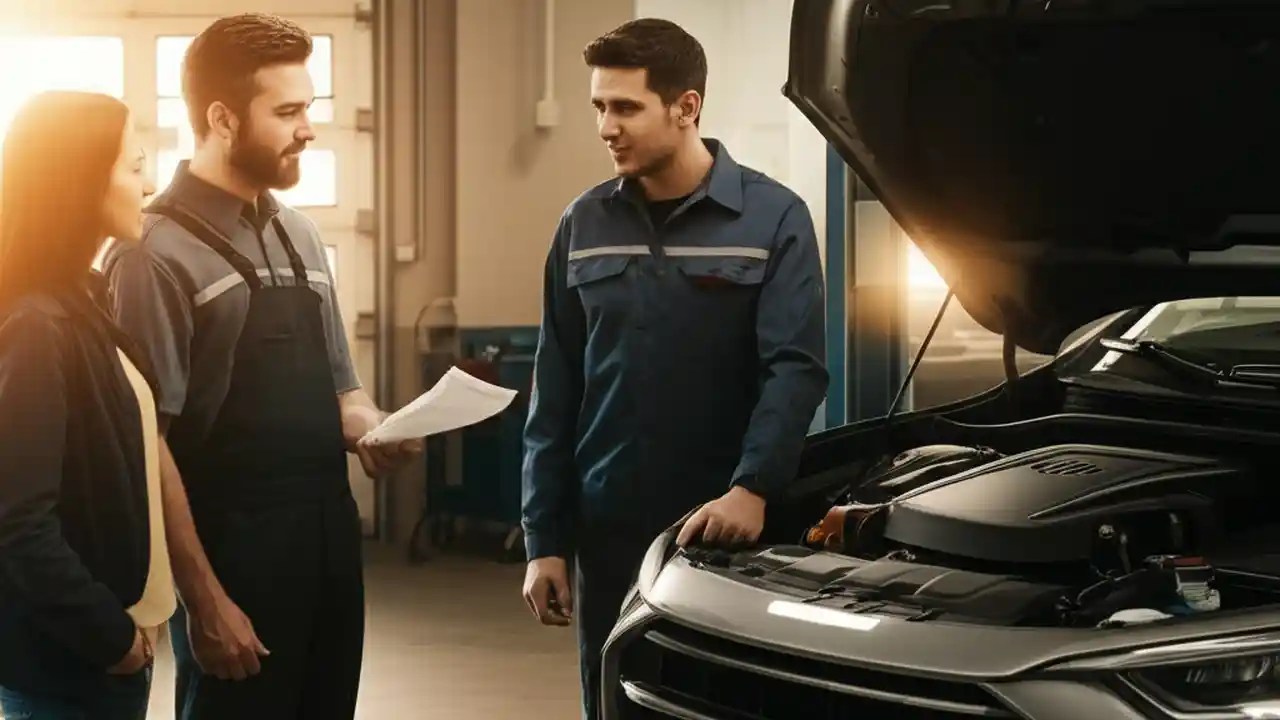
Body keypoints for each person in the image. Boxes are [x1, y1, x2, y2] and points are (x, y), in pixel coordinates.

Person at [102, 13, 421, 719]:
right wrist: (203, 601)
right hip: (232, 556)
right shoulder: (152, 254)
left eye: (309, 108)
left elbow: (344, 388)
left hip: (329, 546)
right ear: (221, 118)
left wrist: (373, 426)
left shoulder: (300, 234)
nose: (308, 129)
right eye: (287, 112)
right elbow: (147, 449)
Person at [520, 18, 829, 719]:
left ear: (686, 107)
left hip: (728, 534)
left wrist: (752, 488)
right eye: (600, 106)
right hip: (609, 534)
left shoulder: (772, 219)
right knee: (616, 702)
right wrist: (544, 541)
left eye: (625, 107)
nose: (606, 127)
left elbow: (795, 369)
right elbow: (555, 388)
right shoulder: (582, 224)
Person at [0, 91, 172, 718]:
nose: (148, 185)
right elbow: (18, 522)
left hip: (101, 661)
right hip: (69, 670)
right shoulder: (36, 326)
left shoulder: (86, 300)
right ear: (80, 180)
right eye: (135, 166)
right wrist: (111, 639)